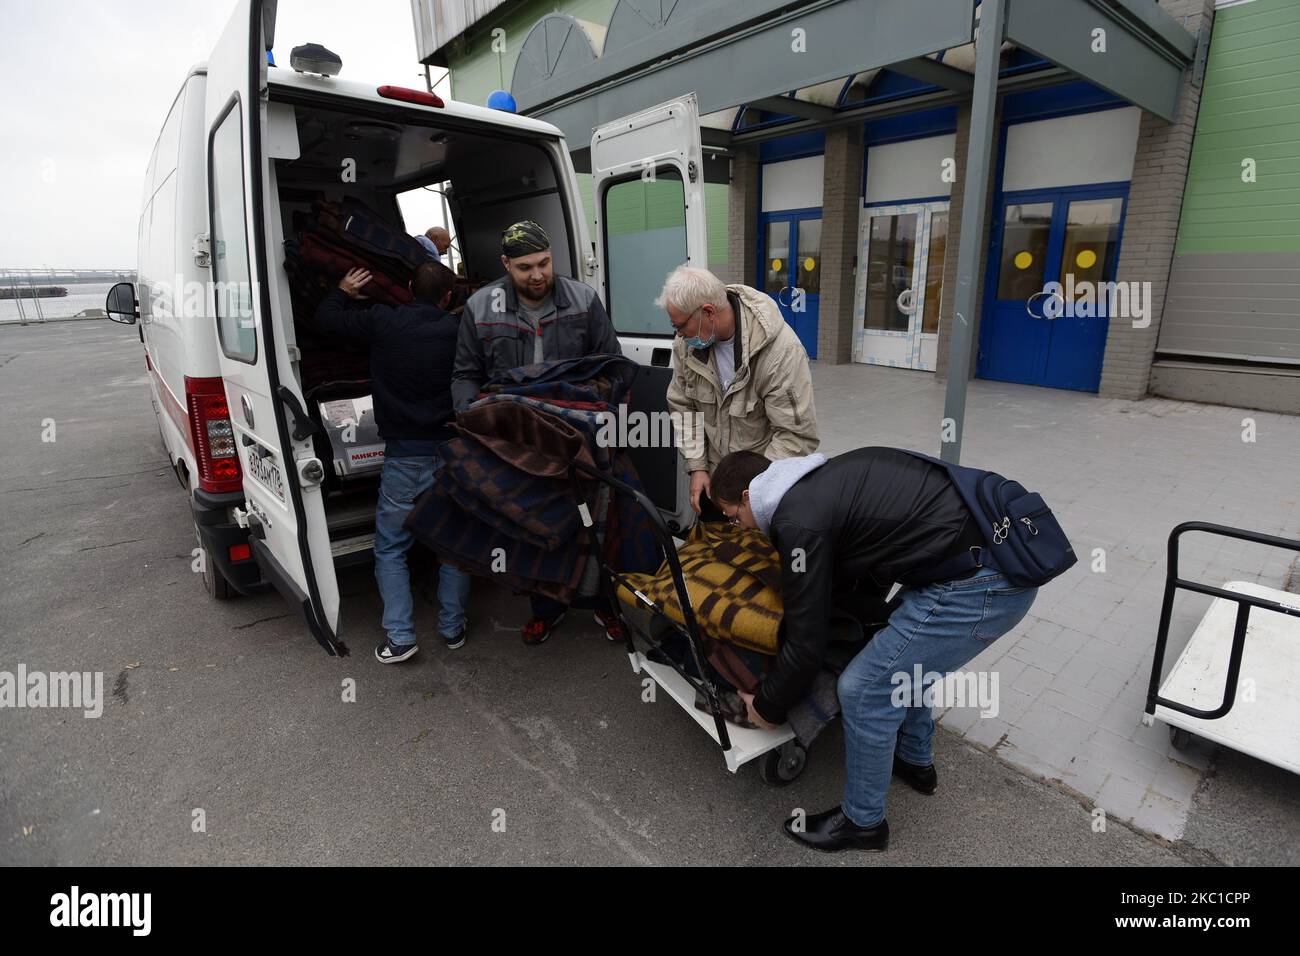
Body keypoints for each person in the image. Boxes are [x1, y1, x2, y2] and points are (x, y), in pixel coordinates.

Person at [709, 448, 1039, 852]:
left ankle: (863, 823)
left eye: (732, 516)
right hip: (987, 557)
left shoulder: (797, 522)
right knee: (901, 655)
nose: (740, 526)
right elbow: (866, 573)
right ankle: (915, 762)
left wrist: (767, 705)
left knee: (864, 690)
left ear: (747, 496)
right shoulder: (821, 482)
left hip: (986, 582)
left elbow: (804, 643)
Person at [451, 219, 624, 646]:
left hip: (578, 442)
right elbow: (465, 375)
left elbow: (612, 366)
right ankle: (546, 609)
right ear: (507, 264)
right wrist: (473, 417)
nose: (538, 275)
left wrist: (596, 415)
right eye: (525, 267)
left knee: (596, 528)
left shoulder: (584, 301)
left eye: (544, 263)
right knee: (535, 530)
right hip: (517, 446)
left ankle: (606, 606)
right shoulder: (479, 307)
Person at [312, 261, 471, 664]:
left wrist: (344, 290)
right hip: (452, 452)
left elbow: (326, 321)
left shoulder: (383, 321)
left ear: (407, 287)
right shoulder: (458, 332)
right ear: (449, 297)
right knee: (453, 546)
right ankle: (452, 628)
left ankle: (401, 638)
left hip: (404, 456)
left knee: (391, 548)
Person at [658, 265, 818, 521]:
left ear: (708, 312)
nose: (678, 335)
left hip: (761, 493)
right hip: (714, 484)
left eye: (681, 327)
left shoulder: (779, 353)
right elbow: (683, 406)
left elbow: (795, 437)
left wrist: (751, 495)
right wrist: (698, 467)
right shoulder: (686, 346)